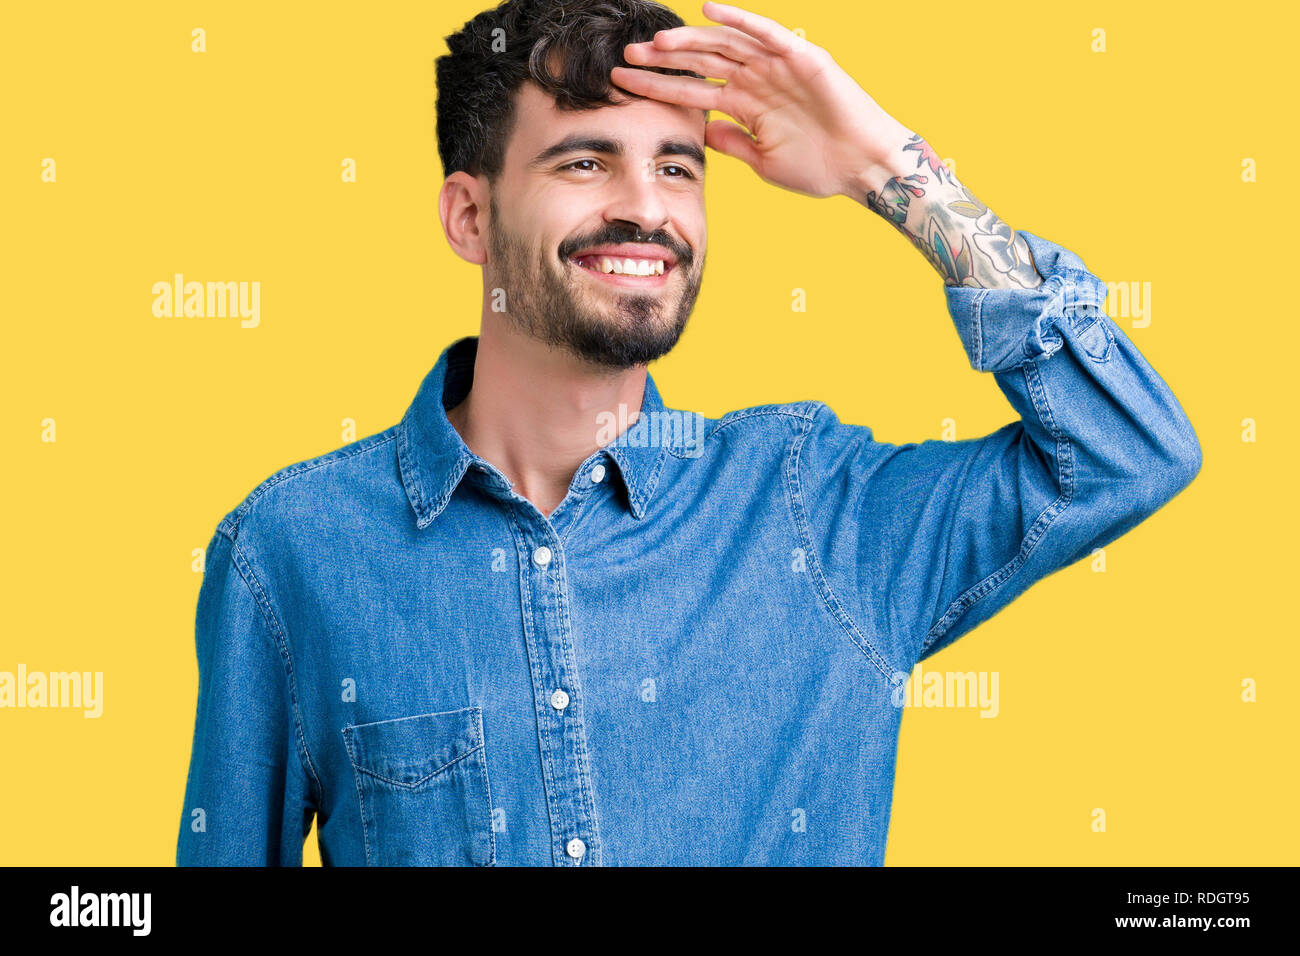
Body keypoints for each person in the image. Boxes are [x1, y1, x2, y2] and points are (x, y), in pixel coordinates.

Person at [177, 0, 1201, 866]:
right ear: (469, 218)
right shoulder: (293, 548)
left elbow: (1129, 451)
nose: (645, 210)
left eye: (677, 168)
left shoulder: (819, 509)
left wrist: (889, 169)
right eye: (585, 161)